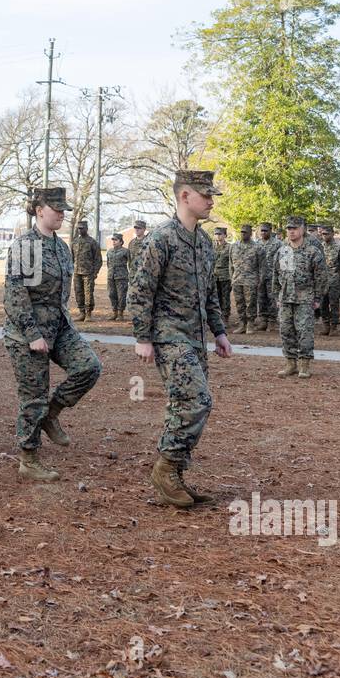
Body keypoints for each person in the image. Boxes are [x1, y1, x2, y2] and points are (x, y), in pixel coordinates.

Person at [128, 170, 232, 507]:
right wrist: (142, 336)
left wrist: (219, 332)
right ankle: (166, 467)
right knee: (197, 401)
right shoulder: (161, 239)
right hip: (169, 335)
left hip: (195, 336)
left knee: (184, 404)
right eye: (205, 195)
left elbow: (210, 294)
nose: (211, 201)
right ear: (185, 196)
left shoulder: (202, 242)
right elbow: (140, 291)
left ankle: (174, 475)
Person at [2, 187, 102, 482]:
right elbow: (14, 296)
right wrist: (33, 334)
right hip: (27, 334)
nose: (61, 214)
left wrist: (61, 326)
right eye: (55, 209)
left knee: (89, 366)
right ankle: (29, 458)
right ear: (38, 210)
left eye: (63, 210)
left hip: (59, 327)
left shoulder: (61, 247)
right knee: (33, 395)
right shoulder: (25, 246)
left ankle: (52, 413)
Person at [271, 215, 325, 379]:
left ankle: (304, 365)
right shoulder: (282, 250)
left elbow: (321, 277)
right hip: (286, 298)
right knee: (286, 331)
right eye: (289, 228)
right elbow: (276, 275)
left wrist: (317, 299)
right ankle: (290, 364)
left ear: (303, 229)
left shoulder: (312, 251)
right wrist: (277, 296)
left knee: (304, 332)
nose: (291, 231)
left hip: (305, 298)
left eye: (294, 228)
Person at [229, 224, 262, 334]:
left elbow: (262, 266)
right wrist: (232, 278)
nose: (243, 234)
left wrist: (259, 280)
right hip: (237, 279)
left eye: (245, 232)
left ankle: (250, 324)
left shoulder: (257, 247)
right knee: (239, 302)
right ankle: (242, 323)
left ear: (250, 233)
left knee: (250, 303)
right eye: (241, 232)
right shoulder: (234, 246)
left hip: (251, 280)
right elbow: (230, 264)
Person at [70, 219, 102, 321]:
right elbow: (71, 258)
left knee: (88, 294)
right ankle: (81, 313)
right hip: (77, 272)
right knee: (78, 292)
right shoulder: (74, 242)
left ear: (86, 229)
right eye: (78, 228)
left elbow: (98, 260)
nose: (80, 230)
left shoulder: (92, 242)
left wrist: (95, 273)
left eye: (82, 228)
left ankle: (88, 314)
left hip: (88, 273)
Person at [106, 233, 131, 320]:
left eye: (116, 240)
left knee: (121, 295)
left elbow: (130, 263)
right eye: (113, 240)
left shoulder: (125, 251)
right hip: (111, 276)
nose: (114, 242)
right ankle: (114, 313)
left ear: (121, 242)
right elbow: (108, 264)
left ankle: (120, 313)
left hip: (122, 277)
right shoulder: (109, 251)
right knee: (111, 294)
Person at [212, 226, 232, 324]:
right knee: (216, 297)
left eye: (220, 234)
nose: (218, 236)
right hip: (214, 276)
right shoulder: (211, 247)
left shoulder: (229, 247)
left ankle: (225, 317)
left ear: (225, 235)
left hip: (225, 276)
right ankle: (217, 317)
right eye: (216, 234)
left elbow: (232, 262)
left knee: (225, 298)